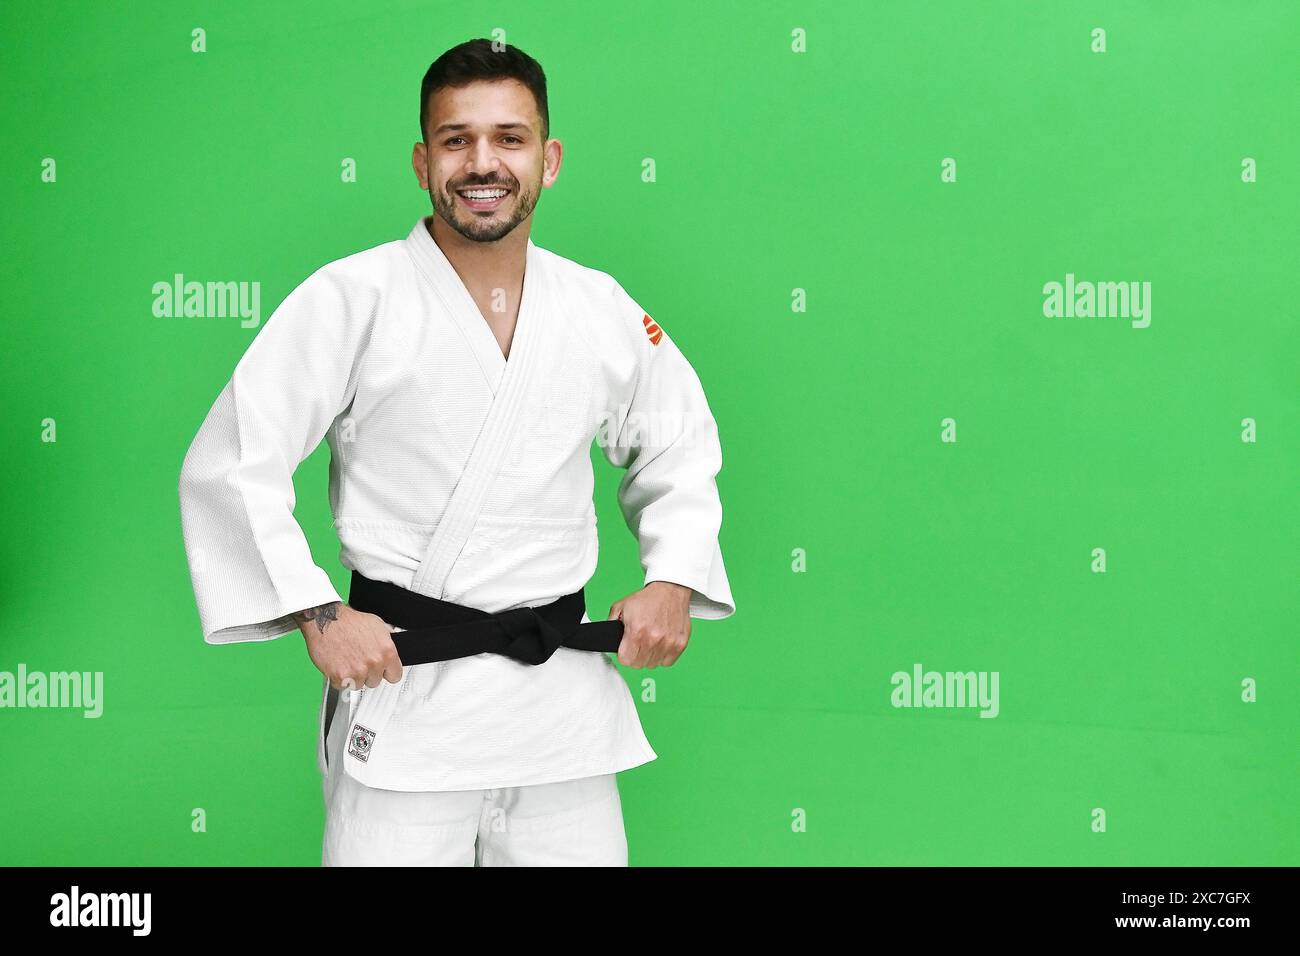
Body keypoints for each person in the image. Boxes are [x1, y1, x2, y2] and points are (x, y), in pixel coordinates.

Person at [178, 38, 734, 867]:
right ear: (421, 160)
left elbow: (678, 442)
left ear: (548, 159)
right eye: (456, 140)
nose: (484, 162)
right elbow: (231, 460)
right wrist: (317, 611)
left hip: (561, 714)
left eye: (509, 138)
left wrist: (674, 579)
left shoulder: (597, 307)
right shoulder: (350, 299)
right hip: (405, 692)